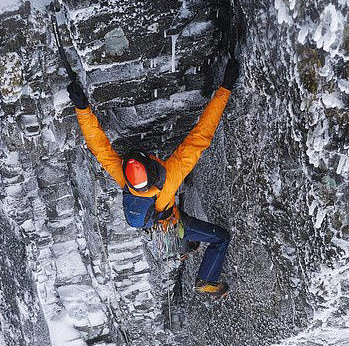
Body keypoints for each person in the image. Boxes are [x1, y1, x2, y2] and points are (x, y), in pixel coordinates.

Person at [67, 57, 239, 298]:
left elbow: (99, 146)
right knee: (221, 238)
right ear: (152, 168)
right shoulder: (170, 178)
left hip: (159, 225)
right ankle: (207, 280)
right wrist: (225, 89)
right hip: (174, 224)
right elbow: (201, 135)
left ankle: (185, 244)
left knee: (182, 227)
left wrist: (82, 108)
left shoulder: (125, 180)